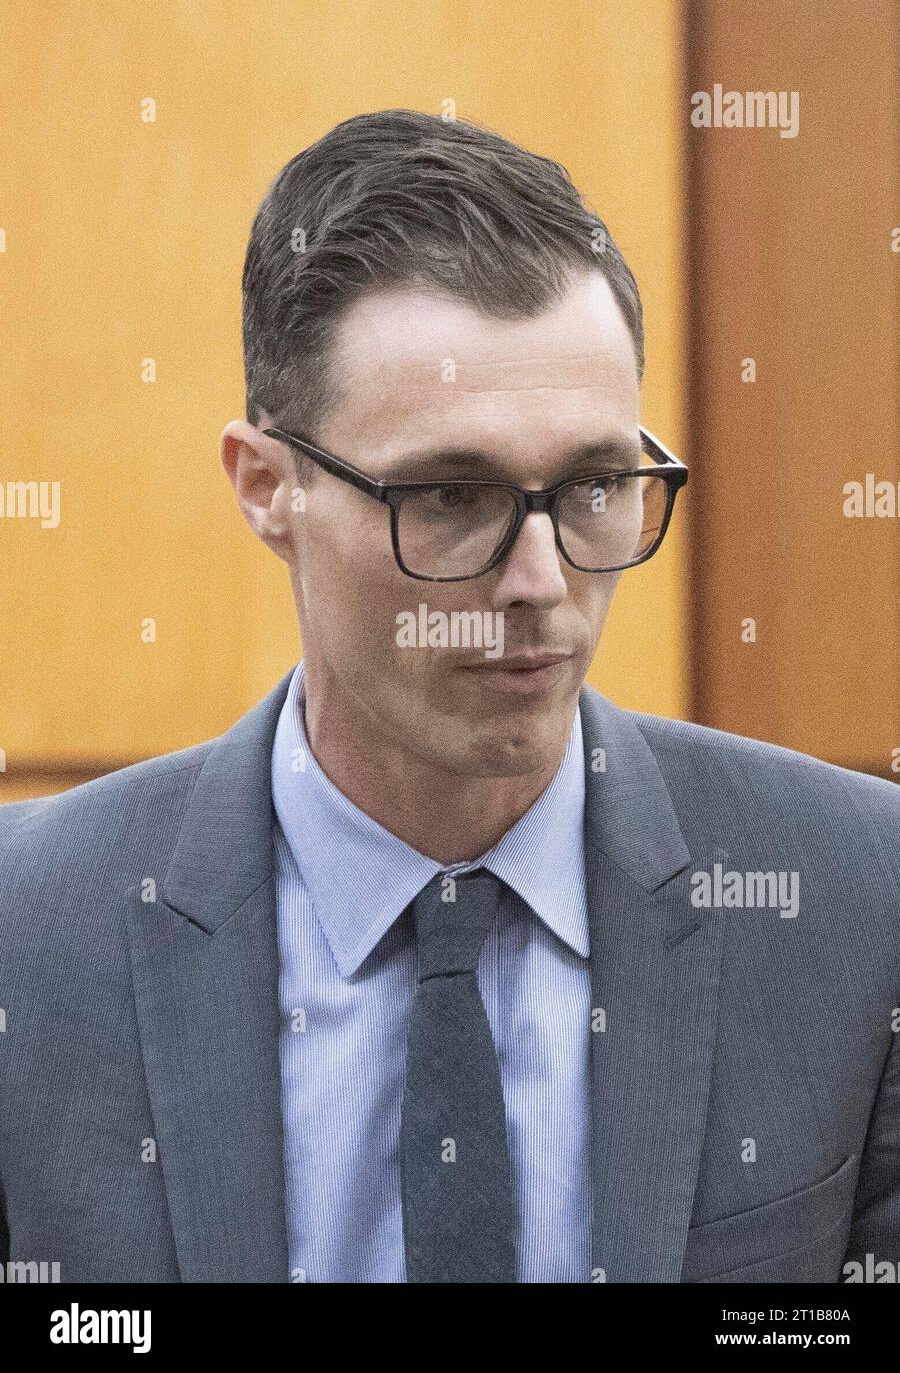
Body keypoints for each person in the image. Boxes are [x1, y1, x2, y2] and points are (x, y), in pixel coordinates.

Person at [1, 109, 897, 1284]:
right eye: (448, 496)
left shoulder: (862, 903)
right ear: (268, 488)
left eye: (594, 485)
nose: (539, 584)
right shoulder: (28, 938)